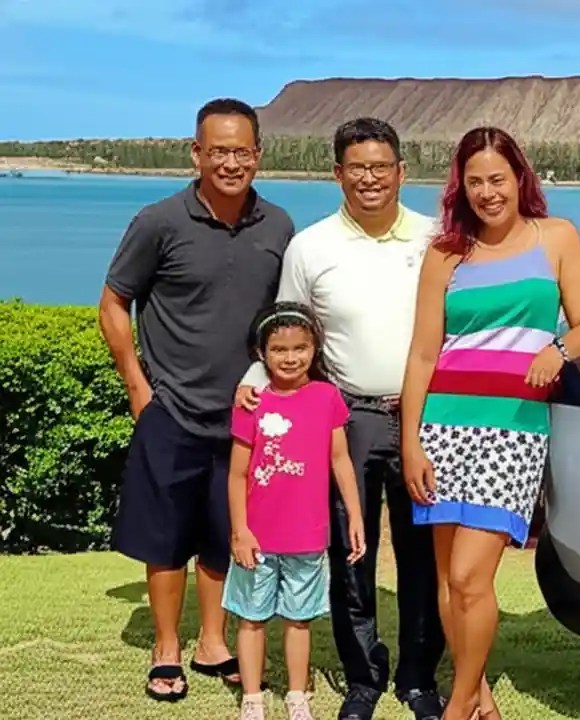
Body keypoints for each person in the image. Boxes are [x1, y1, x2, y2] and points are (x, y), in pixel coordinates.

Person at [235, 117, 447, 720]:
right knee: (350, 551)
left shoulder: (435, 240)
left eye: (381, 166)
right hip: (344, 417)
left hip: (421, 417)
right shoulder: (312, 246)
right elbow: (284, 334)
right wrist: (252, 387)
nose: (370, 178)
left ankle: (417, 676)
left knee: (419, 553)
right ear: (337, 174)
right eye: (356, 167)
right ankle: (363, 677)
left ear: (402, 171)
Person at [398, 126, 580, 720]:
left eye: (498, 179)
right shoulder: (445, 253)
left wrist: (557, 351)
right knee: (447, 580)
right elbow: (422, 355)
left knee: (469, 575)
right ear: (460, 186)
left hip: (513, 431)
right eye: (475, 181)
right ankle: (480, 697)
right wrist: (410, 442)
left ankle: (457, 705)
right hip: (442, 426)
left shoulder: (556, 238)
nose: (488, 192)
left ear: (520, 178)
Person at [98, 97, 295, 702]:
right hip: (170, 408)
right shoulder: (160, 221)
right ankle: (165, 647)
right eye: (218, 151)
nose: (230, 162)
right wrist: (139, 388)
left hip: (245, 416)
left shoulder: (279, 226)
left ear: (258, 155)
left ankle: (213, 642)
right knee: (165, 536)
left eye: (242, 151)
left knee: (221, 532)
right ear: (197, 153)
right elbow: (112, 302)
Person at [225, 302, 368, 720]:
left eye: (300, 348)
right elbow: (236, 475)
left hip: (307, 536)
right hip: (257, 537)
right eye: (279, 350)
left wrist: (356, 516)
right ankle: (252, 698)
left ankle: (297, 696)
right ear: (261, 354)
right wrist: (240, 531)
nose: (290, 358)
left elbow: (341, 461)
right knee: (251, 620)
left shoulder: (327, 398)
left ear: (314, 348)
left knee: (298, 620)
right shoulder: (250, 404)